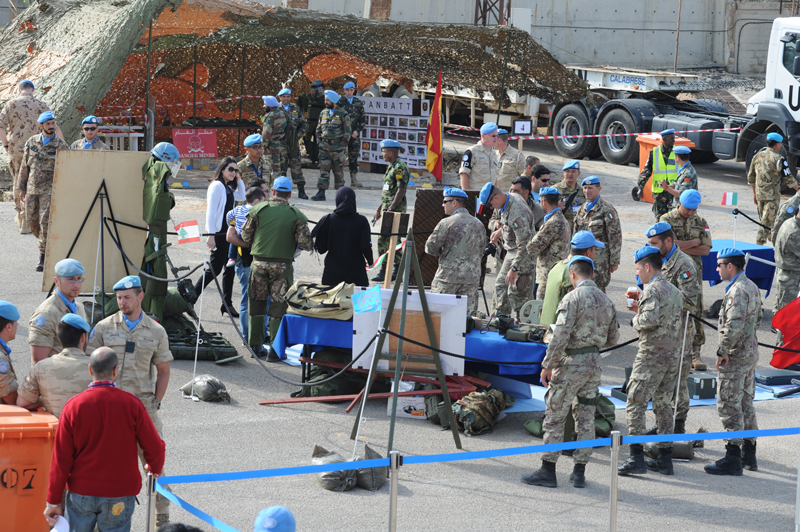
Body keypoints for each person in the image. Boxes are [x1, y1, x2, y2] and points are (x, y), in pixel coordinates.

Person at [521, 256, 619, 489]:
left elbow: (560, 336)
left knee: (555, 414)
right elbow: (613, 338)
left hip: (570, 364)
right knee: (585, 416)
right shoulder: (607, 301)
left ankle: (548, 469)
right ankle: (579, 472)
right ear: (592, 274)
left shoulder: (571, 298)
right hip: (594, 364)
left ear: (572, 275)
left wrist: (547, 364)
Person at [44, 347, 166, 532]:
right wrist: (154, 467)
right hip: (120, 493)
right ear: (116, 370)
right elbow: (155, 447)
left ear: (90, 370)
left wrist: (53, 501)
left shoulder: (73, 407)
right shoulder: (132, 404)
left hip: (81, 492)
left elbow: (60, 459)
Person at [87, 276, 173, 524]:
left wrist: (156, 402)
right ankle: (100, 518)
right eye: (119, 298)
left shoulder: (156, 331)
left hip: (143, 409)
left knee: (154, 464)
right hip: (109, 409)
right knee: (104, 464)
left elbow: (164, 369)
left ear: (141, 296)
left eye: (127, 298)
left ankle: (163, 516)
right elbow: (89, 365)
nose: (122, 302)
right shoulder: (103, 328)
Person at [618, 246, 682, 477]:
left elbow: (650, 319)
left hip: (652, 355)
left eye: (637, 269)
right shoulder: (674, 290)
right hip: (671, 355)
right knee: (664, 405)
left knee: (635, 401)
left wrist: (635, 318)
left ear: (647, 267)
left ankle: (636, 457)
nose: (637, 274)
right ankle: (665, 458)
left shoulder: (653, 290)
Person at [242, 177, 313, 359]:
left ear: (272, 192)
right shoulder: (295, 214)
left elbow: (246, 235)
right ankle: (275, 349)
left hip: (258, 264)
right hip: (282, 267)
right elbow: (305, 243)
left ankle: (255, 346)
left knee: (256, 305)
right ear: (289, 194)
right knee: (278, 307)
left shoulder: (258, 210)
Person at [705, 248, 762, 476]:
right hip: (749, 353)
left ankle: (732, 457)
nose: (716, 269)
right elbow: (756, 319)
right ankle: (749, 455)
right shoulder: (752, 286)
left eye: (720, 265)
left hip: (736, 356)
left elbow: (734, 325)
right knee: (746, 403)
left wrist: (722, 351)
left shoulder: (737, 291)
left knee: (729, 404)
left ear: (731, 266)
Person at [646, 222, 701, 435]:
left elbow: (690, 301)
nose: (651, 247)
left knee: (678, 380)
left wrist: (660, 299)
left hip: (679, 333)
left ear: (669, 241)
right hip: (662, 331)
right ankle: (663, 423)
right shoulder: (658, 261)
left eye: (654, 243)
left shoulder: (683, 264)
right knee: (661, 379)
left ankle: (677, 426)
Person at [660, 189, 711, 370]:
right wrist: (694, 243)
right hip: (671, 273)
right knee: (670, 308)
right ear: (679, 203)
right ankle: (670, 351)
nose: (690, 212)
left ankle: (695, 354)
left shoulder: (701, 222)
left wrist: (682, 246)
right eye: (687, 208)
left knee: (695, 311)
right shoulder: (666, 220)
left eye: (693, 209)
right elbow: (669, 246)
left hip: (694, 274)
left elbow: (706, 250)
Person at [0, 79, 59, 234]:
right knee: (34, 183)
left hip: (17, 150)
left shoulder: (10, 104)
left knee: (18, 182)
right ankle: (32, 218)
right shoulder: (41, 105)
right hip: (37, 151)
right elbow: (55, 128)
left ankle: (22, 218)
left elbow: (1, 127)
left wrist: (6, 145)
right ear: (32, 90)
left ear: (20, 90)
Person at [18, 111, 70, 271]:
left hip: (50, 191)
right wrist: (21, 187)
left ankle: (43, 257)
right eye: (48, 124)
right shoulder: (31, 142)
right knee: (31, 222)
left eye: (53, 123)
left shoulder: (61, 146)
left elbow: (66, 170)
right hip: (32, 189)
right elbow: (24, 166)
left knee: (45, 223)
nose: (51, 126)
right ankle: (46, 244)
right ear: (41, 126)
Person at [195, 156, 246, 317]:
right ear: (222, 169)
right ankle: (190, 299)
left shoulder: (228, 187)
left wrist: (238, 177)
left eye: (235, 169)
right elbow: (210, 212)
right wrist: (211, 235)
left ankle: (227, 303)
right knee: (214, 269)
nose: (233, 172)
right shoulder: (217, 186)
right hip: (219, 233)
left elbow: (242, 196)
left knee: (229, 268)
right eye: (230, 169)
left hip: (228, 233)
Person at [425, 187, 487, 312]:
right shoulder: (479, 224)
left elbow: (430, 247)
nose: (442, 205)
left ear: (454, 203)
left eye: (445, 201)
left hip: (448, 278)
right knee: (466, 319)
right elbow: (481, 251)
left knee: (438, 315)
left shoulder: (446, 223)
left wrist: (445, 254)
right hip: (471, 278)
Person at [17, 314, 92, 418]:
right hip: (89, 431)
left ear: (60, 337)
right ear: (83, 337)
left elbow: (22, 403)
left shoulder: (41, 367)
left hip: (55, 432)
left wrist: (45, 401)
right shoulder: (97, 367)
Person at [483, 182, 534, 318]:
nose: (491, 208)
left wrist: (515, 268)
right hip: (512, 252)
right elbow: (508, 224)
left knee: (518, 295)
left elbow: (525, 245)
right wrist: (501, 231)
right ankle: (503, 318)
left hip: (522, 256)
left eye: (490, 205)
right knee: (501, 285)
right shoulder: (510, 198)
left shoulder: (517, 214)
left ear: (496, 198)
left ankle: (524, 326)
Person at [140, 142, 179, 321]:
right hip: (156, 234)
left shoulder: (151, 170)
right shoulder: (159, 170)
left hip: (155, 231)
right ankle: (154, 313)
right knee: (156, 270)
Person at [227, 185, 268, 343]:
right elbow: (229, 236)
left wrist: (234, 224)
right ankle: (248, 335)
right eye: (264, 197)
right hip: (247, 261)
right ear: (257, 200)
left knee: (252, 299)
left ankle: (254, 334)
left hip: (247, 258)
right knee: (248, 300)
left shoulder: (238, 210)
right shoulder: (259, 213)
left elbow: (228, 218)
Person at [29, 258, 88, 364]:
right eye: (70, 279)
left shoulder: (79, 308)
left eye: (79, 278)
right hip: (56, 377)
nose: (76, 284)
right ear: (57, 281)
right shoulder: (46, 314)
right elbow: (39, 362)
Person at [540, 231, 605, 327]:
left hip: (546, 326)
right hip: (560, 332)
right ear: (588, 252)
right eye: (594, 249)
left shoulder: (557, 266)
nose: (595, 253)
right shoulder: (577, 274)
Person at [312, 187, 373, 287]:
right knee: (359, 300)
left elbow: (321, 249)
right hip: (356, 271)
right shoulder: (361, 221)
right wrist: (370, 262)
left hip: (332, 272)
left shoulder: (328, 220)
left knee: (330, 300)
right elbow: (365, 246)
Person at [748, 132, 799, 245]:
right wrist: (798, 189)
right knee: (766, 222)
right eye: (780, 144)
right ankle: (759, 244)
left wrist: (754, 194)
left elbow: (751, 177)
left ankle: (775, 244)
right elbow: (788, 177)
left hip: (760, 194)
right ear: (777, 145)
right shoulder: (779, 159)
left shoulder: (758, 155)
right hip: (772, 197)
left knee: (767, 221)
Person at [573, 176, 622, 292]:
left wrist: (614, 261)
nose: (586, 191)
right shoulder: (581, 209)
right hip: (582, 257)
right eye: (584, 188)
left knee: (598, 289)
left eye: (590, 188)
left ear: (599, 189)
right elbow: (576, 233)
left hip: (600, 259)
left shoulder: (607, 209)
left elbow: (615, 236)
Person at [371, 139, 410, 283]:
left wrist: (392, 208)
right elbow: (389, 192)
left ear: (391, 152)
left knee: (387, 240)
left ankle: (388, 270)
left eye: (384, 151)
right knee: (389, 240)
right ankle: (394, 270)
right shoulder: (392, 166)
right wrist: (380, 209)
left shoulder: (399, 167)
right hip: (389, 209)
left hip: (395, 211)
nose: (382, 154)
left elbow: (401, 190)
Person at [526, 187, 570, 299]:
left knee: (542, 310)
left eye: (540, 201)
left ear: (544, 201)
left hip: (549, 275)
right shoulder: (561, 219)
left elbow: (532, 247)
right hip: (556, 272)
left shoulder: (553, 222)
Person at [310, 90, 351, 201]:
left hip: (337, 148)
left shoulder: (343, 114)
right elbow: (318, 129)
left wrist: (342, 146)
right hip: (324, 148)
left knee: (338, 172)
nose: (325, 102)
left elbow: (347, 132)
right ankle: (321, 193)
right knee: (324, 170)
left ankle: (341, 196)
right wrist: (319, 142)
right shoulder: (323, 113)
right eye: (325, 100)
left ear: (333, 101)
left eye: (327, 100)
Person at [637, 128, 678, 220]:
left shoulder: (677, 152)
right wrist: (641, 187)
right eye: (671, 138)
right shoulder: (654, 153)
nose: (673, 140)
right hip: (659, 193)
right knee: (659, 219)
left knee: (674, 219)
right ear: (663, 139)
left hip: (673, 191)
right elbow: (646, 171)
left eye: (674, 138)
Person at [773, 208, 800, 345]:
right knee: (787, 315)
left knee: (785, 312)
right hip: (790, 278)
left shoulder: (790, 222)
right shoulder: (795, 232)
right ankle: (783, 349)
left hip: (788, 275)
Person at [278, 88, 308, 198]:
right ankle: (281, 191)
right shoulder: (276, 109)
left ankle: (301, 190)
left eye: (288, 96)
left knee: (296, 167)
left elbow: (303, 124)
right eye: (284, 97)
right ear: (280, 97)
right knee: (282, 167)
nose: (286, 99)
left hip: (294, 143)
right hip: (281, 143)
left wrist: (298, 135)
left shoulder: (295, 108)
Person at [337, 81, 366, 189]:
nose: (349, 92)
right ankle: (340, 179)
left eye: (351, 90)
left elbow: (362, 119)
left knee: (353, 157)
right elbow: (336, 118)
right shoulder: (340, 102)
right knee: (341, 157)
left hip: (354, 135)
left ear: (354, 90)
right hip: (343, 135)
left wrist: (357, 131)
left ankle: (354, 179)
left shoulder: (358, 102)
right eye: (347, 90)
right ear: (344, 90)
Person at [459, 122, 500, 190]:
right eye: (493, 136)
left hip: (490, 195)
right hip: (476, 194)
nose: (496, 138)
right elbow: (464, 174)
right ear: (483, 136)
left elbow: (494, 177)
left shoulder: (493, 153)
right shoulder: (472, 151)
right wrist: (467, 194)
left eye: (497, 136)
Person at [298, 79, 325, 168]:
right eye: (314, 91)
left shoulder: (324, 100)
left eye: (318, 90)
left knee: (319, 141)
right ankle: (311, 156)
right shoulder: (308, 98)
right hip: (310, 123)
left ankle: (317, 158)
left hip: (320, 124)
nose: (316, 93)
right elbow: (300, 101)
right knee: (307, 139)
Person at [262, 95, 290, 178]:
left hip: (271, 148)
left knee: (272, 171)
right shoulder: (284, 114)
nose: (264, 106)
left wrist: (263, 146)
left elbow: (267, 135)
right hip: (282, 146)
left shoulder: (270, 116)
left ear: (269, 106)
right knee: (281, 170)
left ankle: (274, 188)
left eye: (265, 104)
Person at [554, 160, 585, 233]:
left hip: (577, 231)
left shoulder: (583, 191)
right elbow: (545, 210)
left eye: (573, 171)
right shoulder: (554, 190)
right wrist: (555, 207)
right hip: (560, 230)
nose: (570, 174)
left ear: (579, 173)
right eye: (567, 171)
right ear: (563, 173)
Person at [0, 301, 21, 405]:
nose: (17, 325)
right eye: (16, 321)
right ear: (8, 327)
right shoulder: (0, 359)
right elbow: (12, 398)